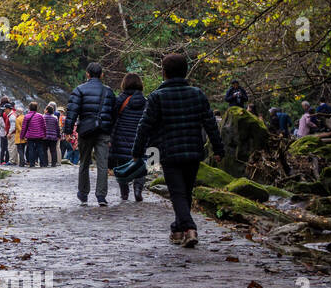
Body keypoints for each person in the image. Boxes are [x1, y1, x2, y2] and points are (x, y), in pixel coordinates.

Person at [132, 52, 225, 248]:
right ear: (185, 72)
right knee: (186, 191)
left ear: (164, 73)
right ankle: (177, 229)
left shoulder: (157, 97)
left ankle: (189, 228)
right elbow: (210, 124)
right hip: (193, 150)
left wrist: (136, 151)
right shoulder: (197, 94)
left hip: (169, 151)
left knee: (177, 193)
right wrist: (218, 149)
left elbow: (145, 126)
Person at [64, 61, 119, 206]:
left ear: (87, 74)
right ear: (102, 75)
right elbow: (114, 114)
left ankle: (83, 193)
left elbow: (72, 111)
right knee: (102, 164)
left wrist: (68, 131)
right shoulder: (109, 92)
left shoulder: (79, 90)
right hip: (103, 132)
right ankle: (101, 196)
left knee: (84, 162)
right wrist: (112, 134)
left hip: (85, 131)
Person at [108, 73, 148, 202]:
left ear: (124, 84)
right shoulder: (146, 101)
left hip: (121, 137)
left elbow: (112, 119)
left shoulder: (119, 100)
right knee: (140, 163)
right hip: (140, 137)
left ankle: (124, 193)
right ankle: (138, 189)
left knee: (122, 164)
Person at [21, 102, 47, 167]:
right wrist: (44, 135)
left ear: (29, 108)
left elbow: (24, 127)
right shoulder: (40, 116)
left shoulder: (26, 116)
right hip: (39, 135)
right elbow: (44, 126)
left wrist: (22, 136)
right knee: (40, 149)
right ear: (36, 108)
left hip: (30, 136)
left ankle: (32, 164)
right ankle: (42, 164)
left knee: (31, 150)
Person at [0, 97, 12, 165]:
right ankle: (7, 160)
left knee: (2, 147)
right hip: (8, 129)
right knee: (8, 146)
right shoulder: (10, 107)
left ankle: (2, 161)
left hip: (1, 129)